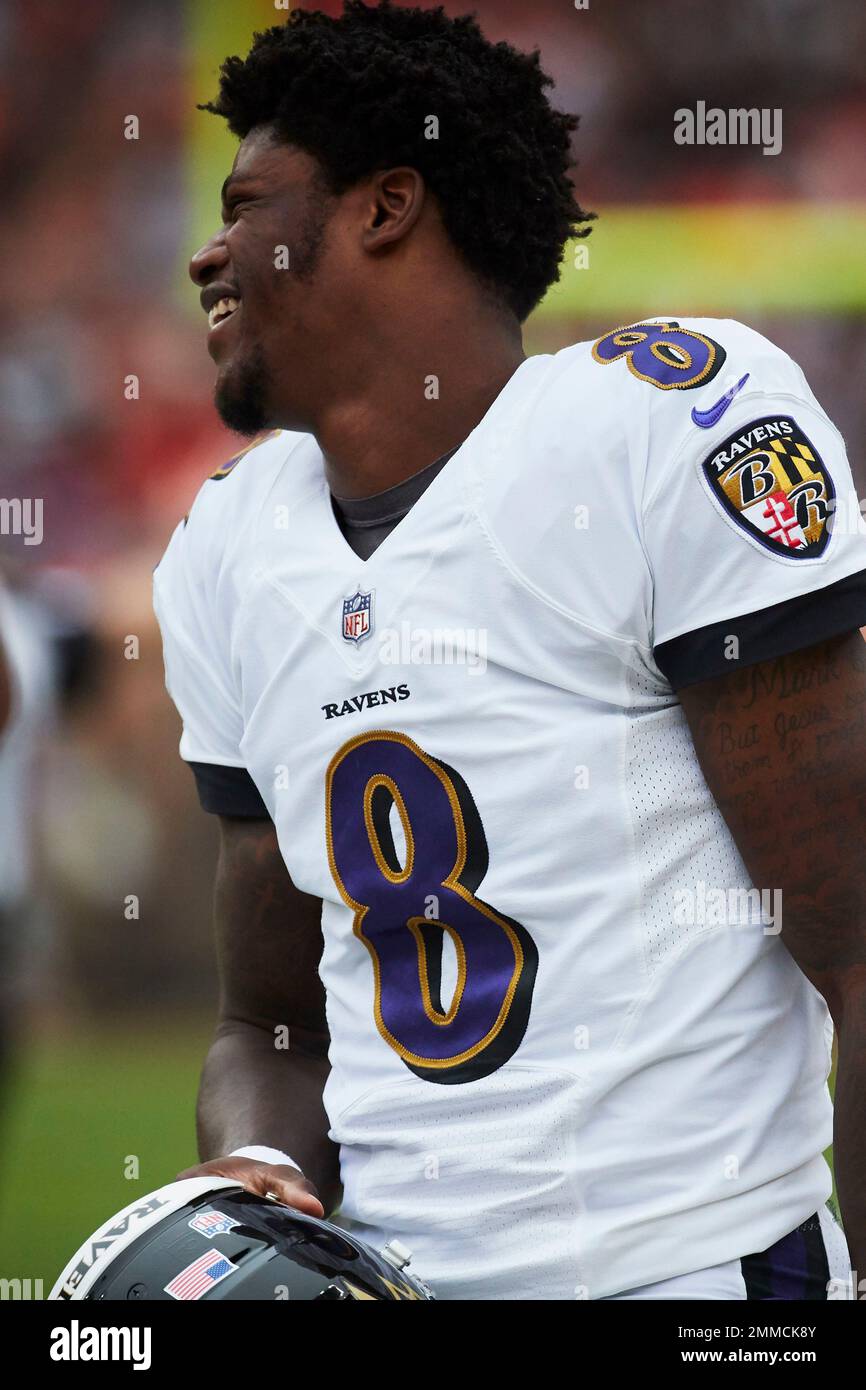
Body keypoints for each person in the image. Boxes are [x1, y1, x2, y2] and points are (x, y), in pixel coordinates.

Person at [154, 2, 866, 1299]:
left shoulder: (658, 425)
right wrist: (256, 1161)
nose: (207, 254)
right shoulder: (227, 548)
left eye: (247, 204)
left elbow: (854, 941)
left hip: (696, 1273)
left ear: (385, 208)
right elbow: (265, 1022)